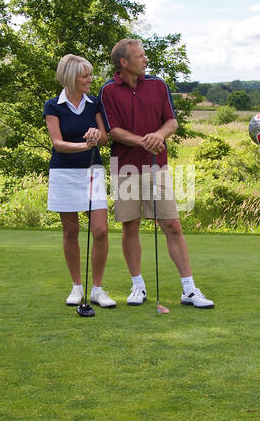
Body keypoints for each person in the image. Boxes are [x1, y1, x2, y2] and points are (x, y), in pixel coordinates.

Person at [99, 38, 213, 309]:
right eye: (140, 56)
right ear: (124, 62)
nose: (145, 59)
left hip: (156, 166)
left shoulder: (158, 85)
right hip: (125, 167)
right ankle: (137, 285)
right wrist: (142, 141)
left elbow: (170, 121)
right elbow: (113, 130)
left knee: (172, 224)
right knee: (131, 226)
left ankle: (189, 289)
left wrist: (158, 135)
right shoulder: (108, 91)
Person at [44, 54, 116, 308]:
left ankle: (97, 289)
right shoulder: (53, 105)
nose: (90, 79)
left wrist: (97, 135)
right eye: (85, 75)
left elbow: (105, 138)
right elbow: (58, 144)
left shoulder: (94, 103)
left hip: (93, 172)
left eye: (89, 74)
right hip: (64, 173)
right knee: (71, 230)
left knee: (100, 230)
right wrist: (85, 145)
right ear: (71, 77)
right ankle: (77, 287)